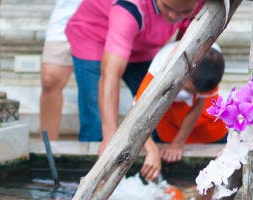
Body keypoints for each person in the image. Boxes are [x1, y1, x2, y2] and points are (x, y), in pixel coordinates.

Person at [64, 0, 202, 153]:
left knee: (154, 106)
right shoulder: (129, 8)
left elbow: (186, 36)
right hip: (93, 36)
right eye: (168, 7)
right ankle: (93, 164)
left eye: (184, 12)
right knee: (96, 121)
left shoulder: (201, 4)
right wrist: (110, 137)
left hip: (142, 43)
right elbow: (110, 73)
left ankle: (152, 163)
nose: (174, 16)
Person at [135, 43, 226, 180]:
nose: (191, 95)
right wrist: (152, 150)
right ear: (185, 71)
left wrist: (178, 144)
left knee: (217, 175)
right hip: (169, 115)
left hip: (205, 123)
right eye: (188, 90)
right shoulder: (158, 72)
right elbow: (136, 115)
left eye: (196, 93)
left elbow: (199, 104)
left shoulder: (211, 64)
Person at [39, 0, 82, 140]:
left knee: (96, 84)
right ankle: (47, 149)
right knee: (50, 79)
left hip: (108, 14)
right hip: (66, 14)